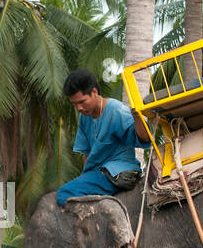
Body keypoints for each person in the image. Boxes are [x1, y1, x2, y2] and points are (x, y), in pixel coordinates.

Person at [56, 68, 149, 206]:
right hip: (100, 175)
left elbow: (145, 139)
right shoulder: (84, 117)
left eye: (82, 101)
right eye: (74, 104)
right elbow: (86, 153)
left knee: (64, 194)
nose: (79, 108)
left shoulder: (116, 110)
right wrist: (85, 179)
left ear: (94, 92)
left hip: (119, 174)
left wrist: (137, 116)